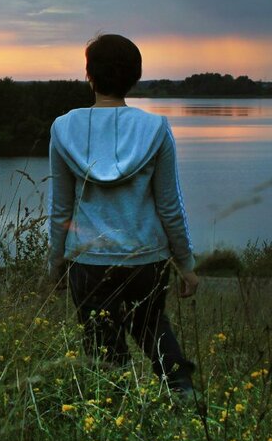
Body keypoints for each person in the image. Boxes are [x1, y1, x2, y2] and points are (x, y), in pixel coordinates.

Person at [48, 33, 199, 394]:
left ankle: (112, 421)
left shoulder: (63, 128)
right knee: (153, 330)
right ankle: (185, 399)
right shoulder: (155, 129)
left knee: (103, 357)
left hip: (88, 263)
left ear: (90, 75)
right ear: (135, 76)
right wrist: (186, 263)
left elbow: (60, 209)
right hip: (146, 260)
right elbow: (169, 206)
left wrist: (55, 263)